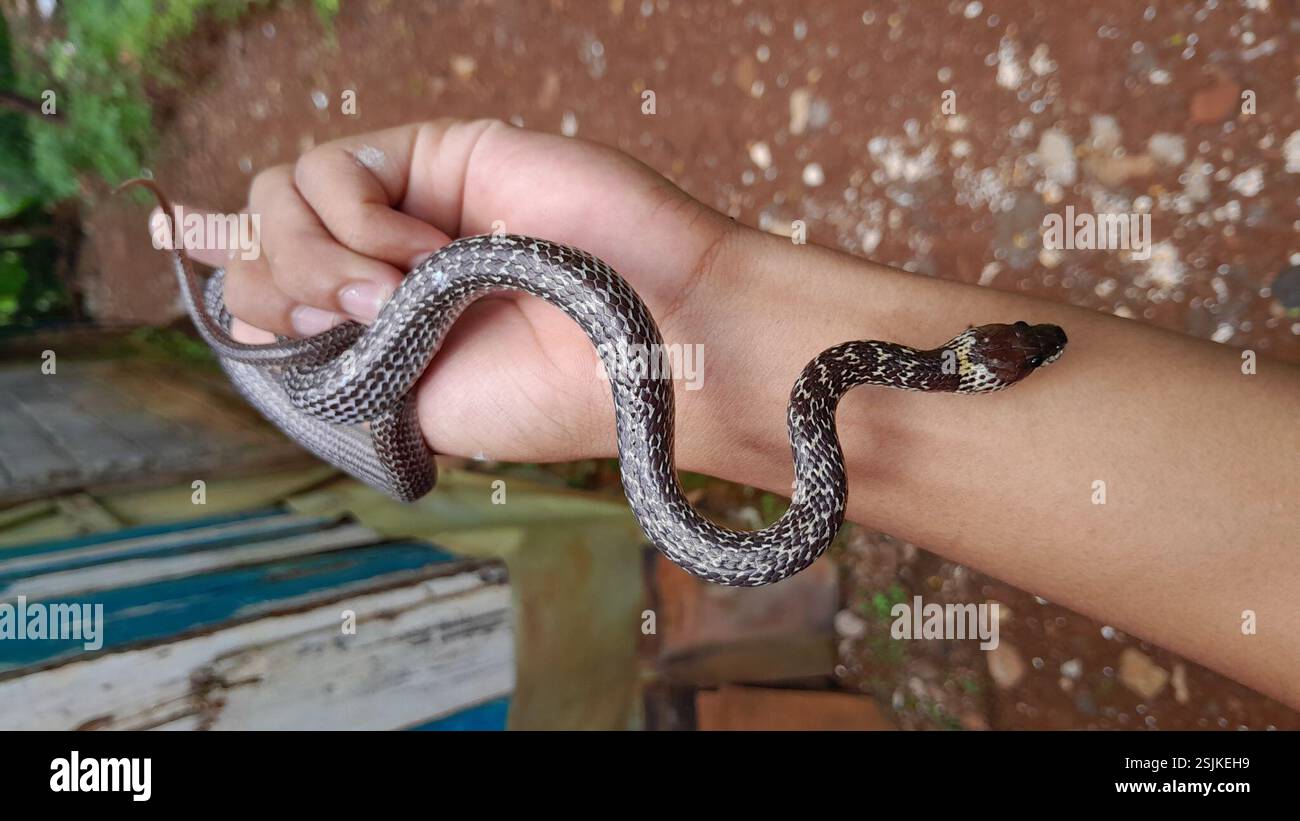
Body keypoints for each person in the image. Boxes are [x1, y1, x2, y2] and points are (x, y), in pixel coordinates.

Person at [173, 119, 1299, 709]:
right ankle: (298, 366)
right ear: (963, 365)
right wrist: (703, 296)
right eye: (1015, 352)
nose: (1034, 343)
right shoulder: (843, 377)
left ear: (966, 366)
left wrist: (707, 302)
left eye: (1017, 355)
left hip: (560, 327)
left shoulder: (858, 384)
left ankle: (303, 371)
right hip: (509, 316)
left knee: (337, 346)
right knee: (333, 335)